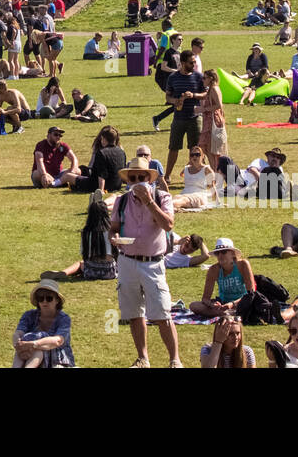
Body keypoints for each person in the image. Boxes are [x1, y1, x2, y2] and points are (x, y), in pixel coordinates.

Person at [111, 156, 182, 367]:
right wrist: (113, 238)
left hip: (153, 262)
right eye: (132, 178)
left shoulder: (162, 198)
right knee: (134, 313)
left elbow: (168, 225)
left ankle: (174, 360)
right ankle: (143, 358)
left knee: (162, 313)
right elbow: (113, 227)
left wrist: (149, 202)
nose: (136, 181)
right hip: (127, 260)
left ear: (148, 178)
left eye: (140, 177)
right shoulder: (121, 200)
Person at [163, 49, 205, 183]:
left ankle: (195, 176)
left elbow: (205, 93)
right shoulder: (173, 78)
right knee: (173, 148)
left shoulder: (198, 77)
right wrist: (175, 101)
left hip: (195, 118)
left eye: (194, 62)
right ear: (182, 63)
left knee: (195, 149)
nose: (193, 65)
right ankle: (167, 175)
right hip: (179, 118)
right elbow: (167, 96)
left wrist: (194, 95)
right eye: (191, 63)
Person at [12, 279, 74, 368]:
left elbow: (58, 341)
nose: (44, 301)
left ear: (57, 300)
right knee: (24, 344)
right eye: (41, 298)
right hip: (30, 354)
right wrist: (18, 344)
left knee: (40, 342)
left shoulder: (63, 318)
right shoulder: (29, 315)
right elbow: (18, 333)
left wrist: (33, 344)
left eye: (49, 298)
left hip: (58, 358)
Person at [190, 238, 255, 318]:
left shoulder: (243, 265)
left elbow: (251, 294)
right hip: (223, 304)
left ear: (232, 253)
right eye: (217, 253)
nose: (220, 256)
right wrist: (212, 304)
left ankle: (226, 313)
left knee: (252, 304)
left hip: (242, 302)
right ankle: (227, 314)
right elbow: (205, 298)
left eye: (223, 252)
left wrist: (232, 304)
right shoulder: (213, 270)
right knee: (194, 306)